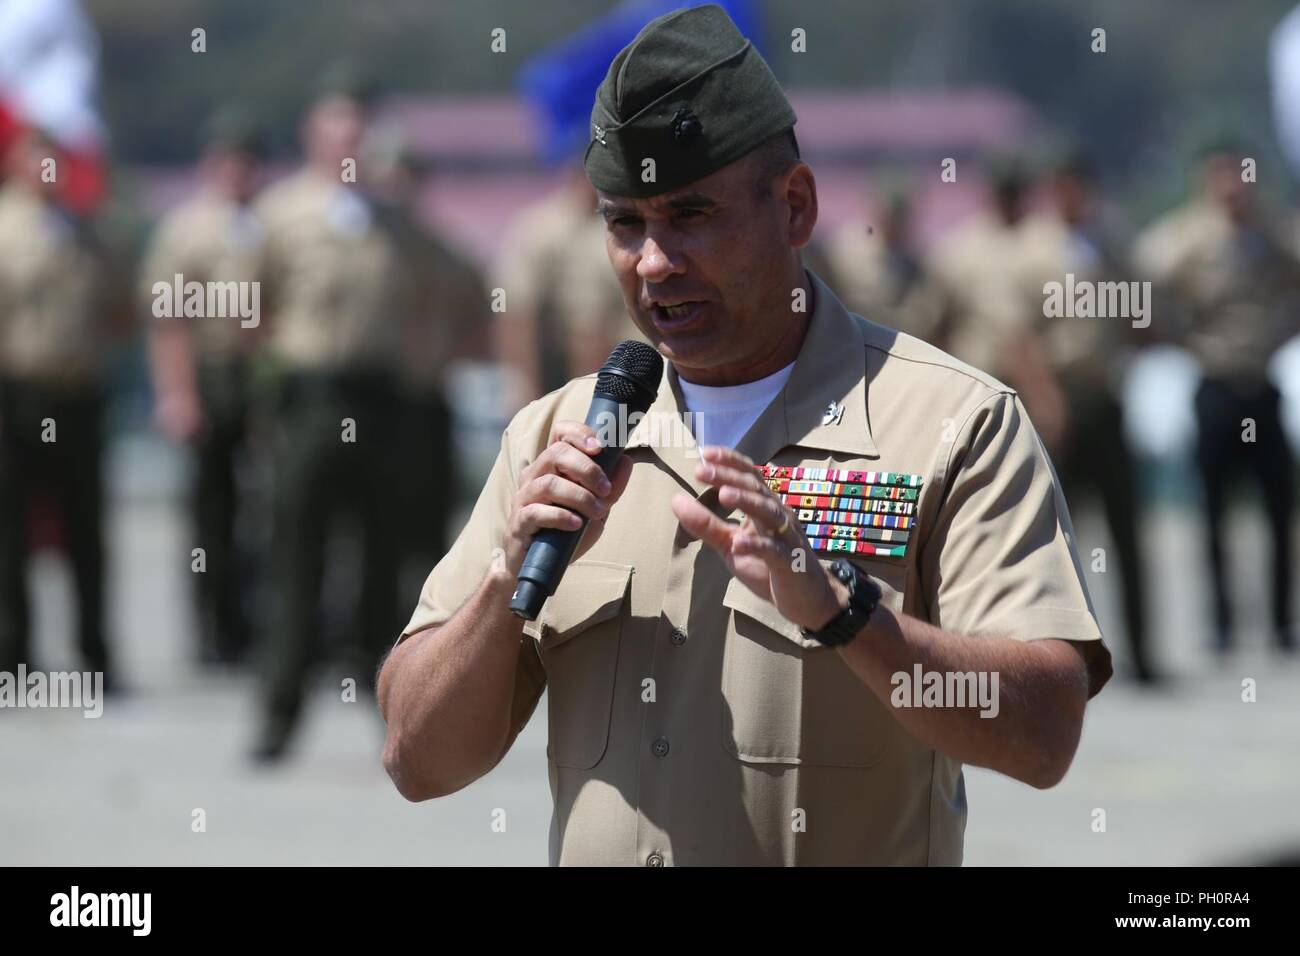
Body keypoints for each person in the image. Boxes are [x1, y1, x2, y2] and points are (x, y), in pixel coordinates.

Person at [379, 4, 1112, 866]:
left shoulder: (953, 424)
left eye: (691, 215)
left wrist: (846, 618)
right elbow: (417, 759)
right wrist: (507, 582)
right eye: (625, 223)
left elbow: (1042, 734)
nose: (653, 261)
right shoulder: (561, 435)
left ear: (795, 205)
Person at [250, 69, 450, 760]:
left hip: (382, 401)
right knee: (296, 555)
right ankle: (278, 712)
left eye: (358, 129)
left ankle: (390, 712)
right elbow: (257, 307)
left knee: (383, 560)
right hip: (312, 398)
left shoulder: (398, 221)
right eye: (335, 126)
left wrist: (420, 382)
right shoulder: (281, 216)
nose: (347, 140)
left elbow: (429, 306)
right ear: (312, 135)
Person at [1135, 136, 1300, 654]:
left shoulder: (1274, 235)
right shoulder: (1187, 238)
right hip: (1214, 380)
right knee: (1212, 510)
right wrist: (1170, 336)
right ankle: (1222, 623)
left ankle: (1278, 621)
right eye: (1222, 177)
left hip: (1261, 380)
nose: (1232, 189)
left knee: (1279, 508)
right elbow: (1144, 275)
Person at [1018, 148, 1156, 682]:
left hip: (1105, 396)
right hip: (1060, 398)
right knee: (1056, 538)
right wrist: (1044, 399)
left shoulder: (1112, 246)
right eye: (1062, 185)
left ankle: (1142, 653)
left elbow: (1142, 313)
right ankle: (1061, 655)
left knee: (1127, 527)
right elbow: (1020, 335)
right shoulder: (1033, 251)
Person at [0, 125, 129, 684]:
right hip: (14, 396)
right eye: (36, 160)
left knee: (87, 532)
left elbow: (121, 310)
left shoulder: (89, 232)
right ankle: (13, 655)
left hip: (78, 397)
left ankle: (95, 654)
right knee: (9, 535)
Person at [141, 107, 266, 666]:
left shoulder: (270, 223)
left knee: (269, 507)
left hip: (261, 374)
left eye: (247, 161)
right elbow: (170, 321)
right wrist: (178, 393)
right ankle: (212, 629)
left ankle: (260, 622)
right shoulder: (187, 229)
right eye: (228, 161)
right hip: (211, 372)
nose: (238, 172)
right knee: (211, 511)